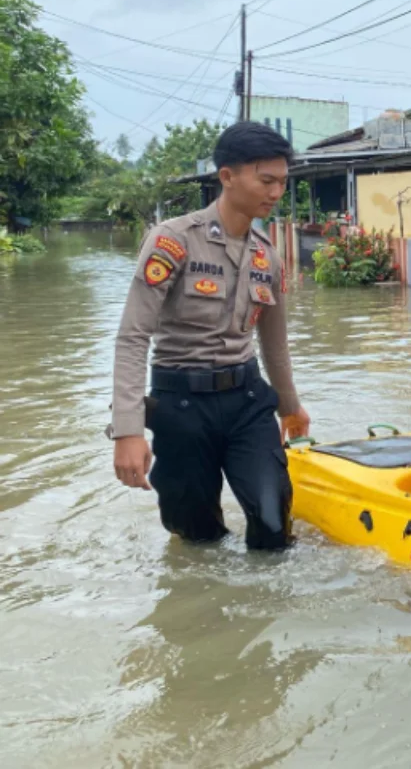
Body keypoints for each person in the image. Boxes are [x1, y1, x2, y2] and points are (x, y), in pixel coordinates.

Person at [109, 121, 311, 550]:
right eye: (266, 180)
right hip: (182, 407)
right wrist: (128, 430)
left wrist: (290, 407)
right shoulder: (173, 242)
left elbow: (274, 344)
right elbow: (132, 337)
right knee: (198, 538)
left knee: (274, 526)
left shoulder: (267, 256)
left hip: (247, 402)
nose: (276, 193)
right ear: (228, 177)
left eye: (282, 182)